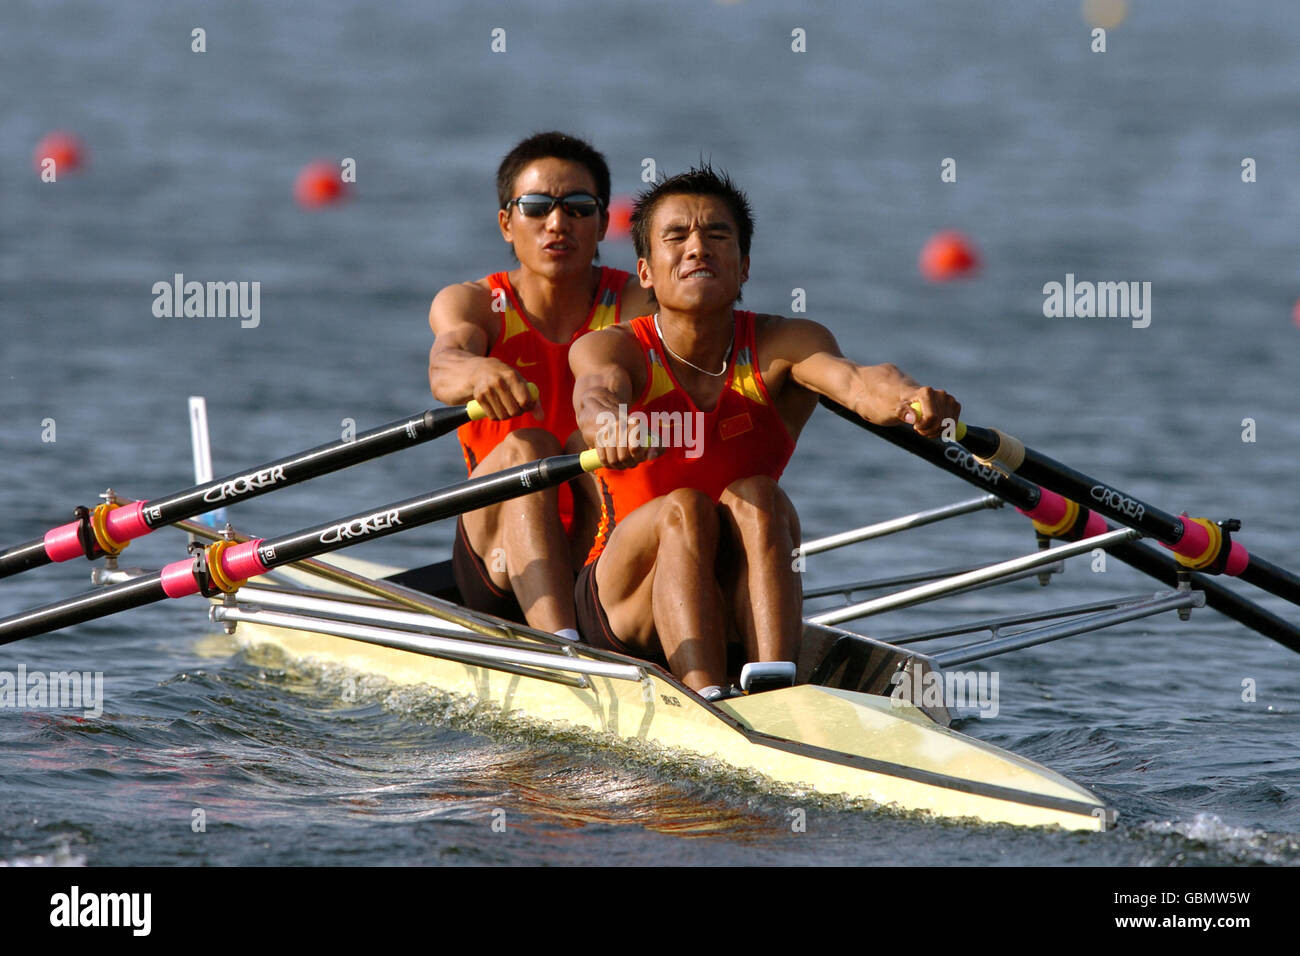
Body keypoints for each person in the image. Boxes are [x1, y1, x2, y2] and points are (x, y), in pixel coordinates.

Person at [569, 165, 961, 699]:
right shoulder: (612, 346)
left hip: (728, 591)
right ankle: (706, 695)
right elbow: (595, 394)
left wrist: (912, 399)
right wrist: (608, 425)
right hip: (623, 603)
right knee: (685, 506)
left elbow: (861, 383)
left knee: (759, 495)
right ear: (645, 271)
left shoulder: (786, 342)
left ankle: (777, 687)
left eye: (718, 235)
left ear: (745, 266)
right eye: (676, 236)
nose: (697, 248)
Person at [428, 132, 653, 638]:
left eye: (577, 207)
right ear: (507, 223)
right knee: (532, 446)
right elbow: (445, 367)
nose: (557, 223)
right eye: (536, 207)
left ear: (602, 224)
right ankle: (561, 644)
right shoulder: (475, 305)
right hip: (498, 560)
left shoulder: (640, 304)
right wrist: (477, 372)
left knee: (579, 446)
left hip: (599, 548)